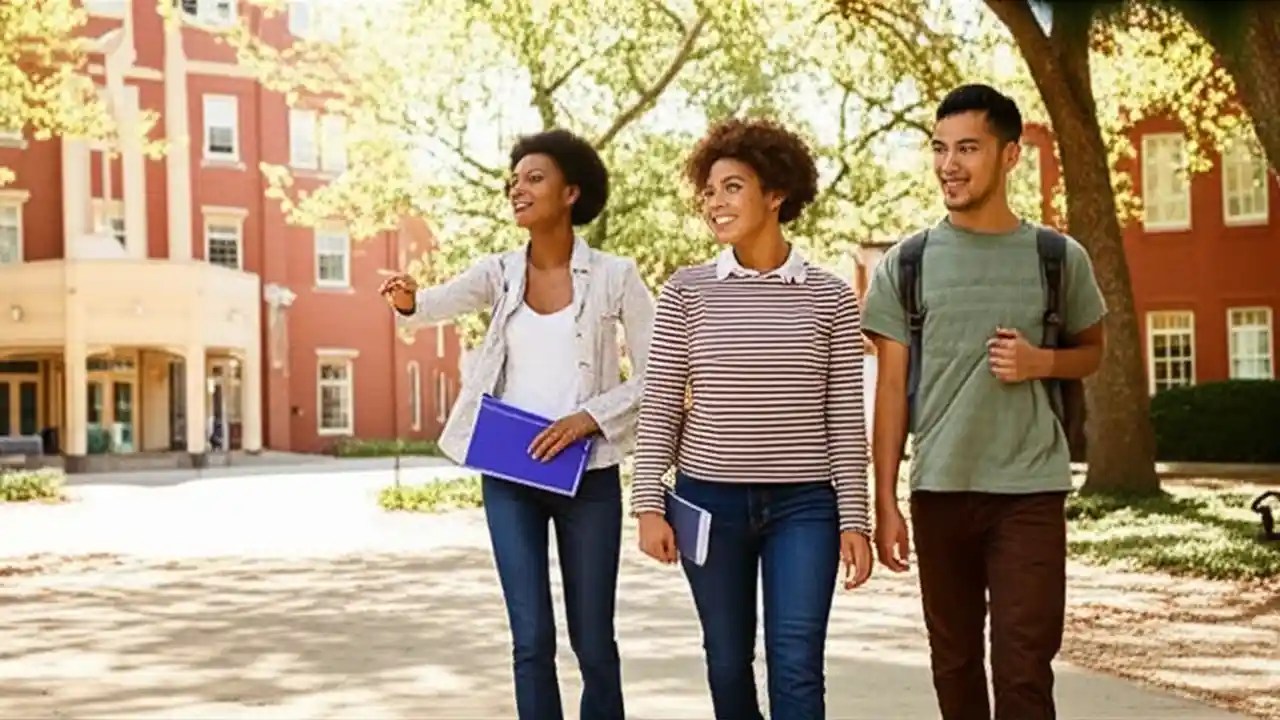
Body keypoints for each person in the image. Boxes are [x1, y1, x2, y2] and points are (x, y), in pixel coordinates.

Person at [380, 129, 654, 720]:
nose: (517, 189)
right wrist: (407, 300)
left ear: (571, 193)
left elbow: (656, 375)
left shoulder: (616, 276)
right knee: (530, 640)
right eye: (514, 180)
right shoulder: (500, 272)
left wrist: (588, 419)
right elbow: (434, 303)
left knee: (594, 643)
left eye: (534, 178)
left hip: (588, 476)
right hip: (509, 473)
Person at [861, 84, 1107, 720]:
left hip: (1030, 491)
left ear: (1010, 155)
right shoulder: (906, 264)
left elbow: (1092, 351)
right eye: (940, 148)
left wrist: (1040, 362)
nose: (949, 164)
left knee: (1024, 671)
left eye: (968, 148)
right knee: (956, 666)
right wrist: (884, 500)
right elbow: (891, 391)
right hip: (940, 490)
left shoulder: (1058, 258)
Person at [631, 117, 873, 720]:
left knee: (797, 665)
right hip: (709, 503)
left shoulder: (830, 296)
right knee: (726, 662)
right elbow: (661, 401)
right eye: (709, 191)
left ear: (775, 193)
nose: (715, 201)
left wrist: (855, 518)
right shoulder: (686, 291)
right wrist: (648, 503)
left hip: (805, 508)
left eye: (732, 187)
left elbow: (845, 419)